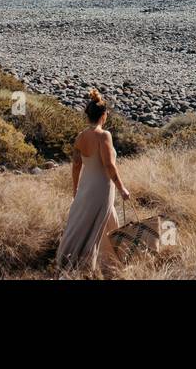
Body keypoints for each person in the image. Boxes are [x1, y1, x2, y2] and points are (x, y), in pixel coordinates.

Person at [55, 88, 132, 273]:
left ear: (87, 115)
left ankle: (114, 263)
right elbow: (109, 166)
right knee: (96, 226)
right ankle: (87, 268)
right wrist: (122, 188)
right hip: (102, 188)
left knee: (103, 221)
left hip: (85, 187)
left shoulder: (80, 137)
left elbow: (75, 166)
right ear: (104, 115)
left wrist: (76, 190)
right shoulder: (104, 135)